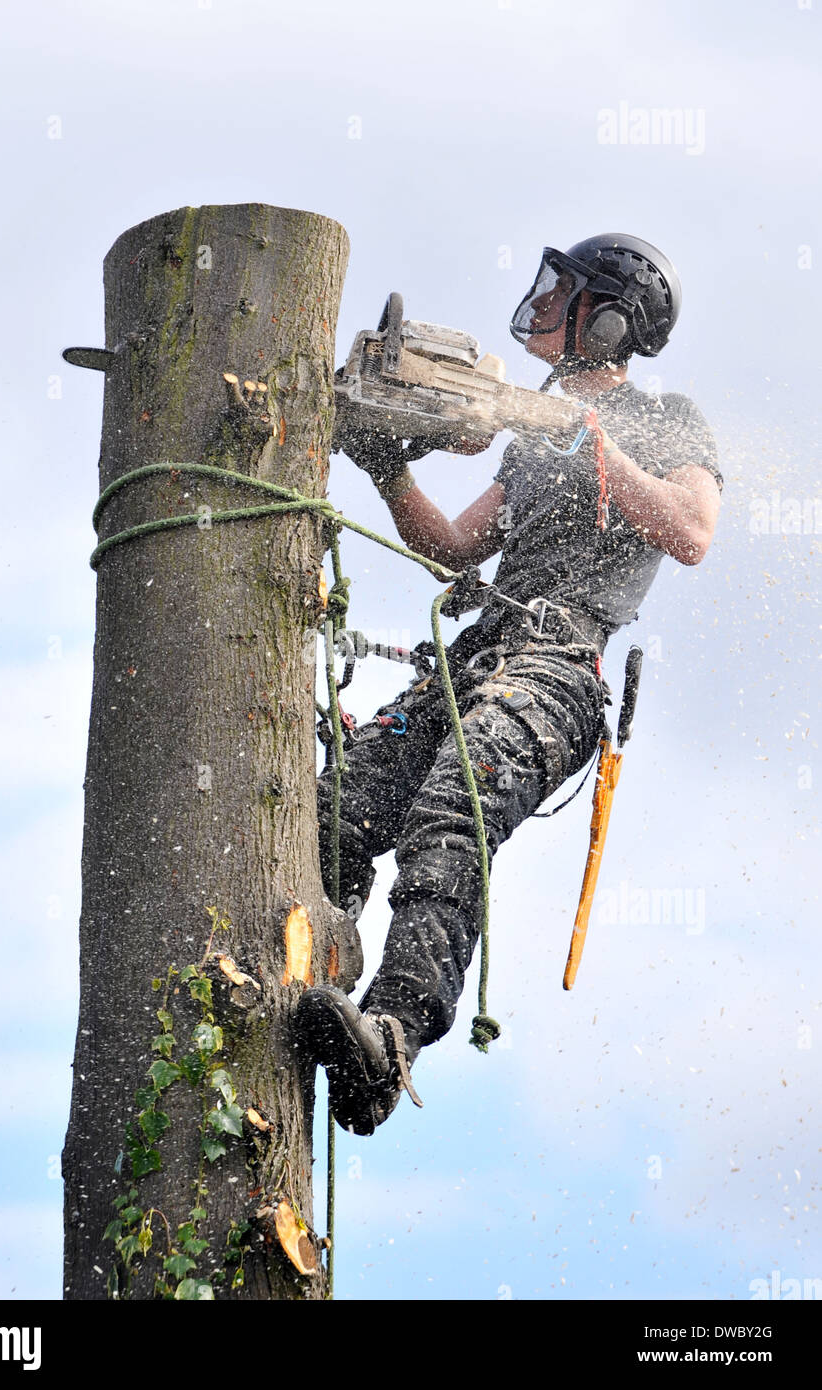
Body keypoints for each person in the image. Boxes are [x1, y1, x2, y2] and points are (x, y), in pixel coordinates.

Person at [296, 234, 723, 1135]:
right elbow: (451, 546)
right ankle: (303, 979)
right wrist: (385, 466)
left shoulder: (667, 419)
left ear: (610, 320)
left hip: (559, 669)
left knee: (454, 809)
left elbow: (690, 529)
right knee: (340, 805)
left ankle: (394, 1035)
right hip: (478, 656)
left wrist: (600, 445)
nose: (543, 303)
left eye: (567, 293)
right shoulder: (533, 431)